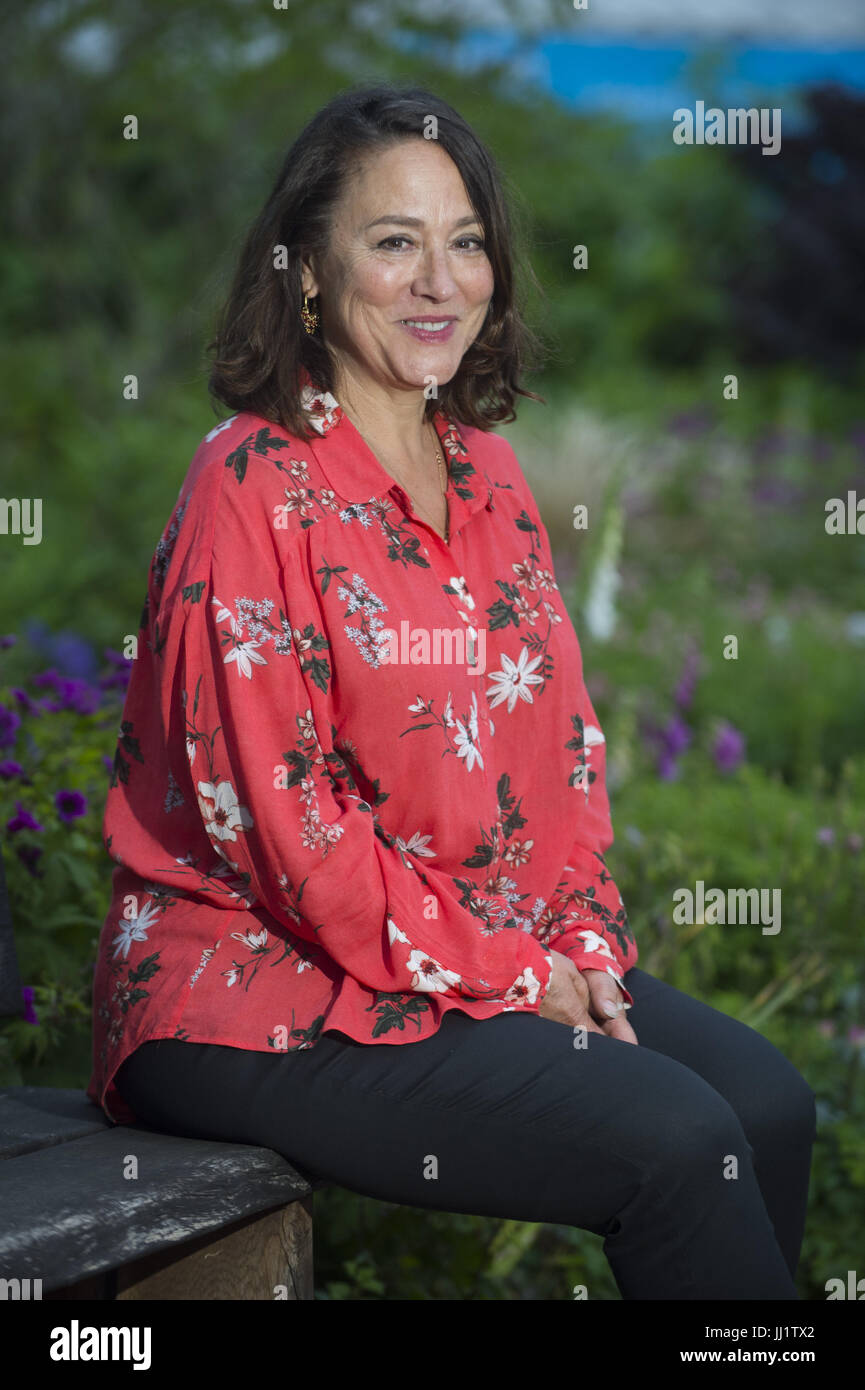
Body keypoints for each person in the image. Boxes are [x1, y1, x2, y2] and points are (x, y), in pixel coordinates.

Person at [88, 83, 816, 1300]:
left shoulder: (486, 471)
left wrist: (577, 942)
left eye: (464, 241)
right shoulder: (249, 488)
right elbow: (291, 839)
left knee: (765, 1104)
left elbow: (562, 762)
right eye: (393, 242)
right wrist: (520, 977)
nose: (439, 280)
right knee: (680, 1145)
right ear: (309, 275)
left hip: (467, 953)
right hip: (248, 991)